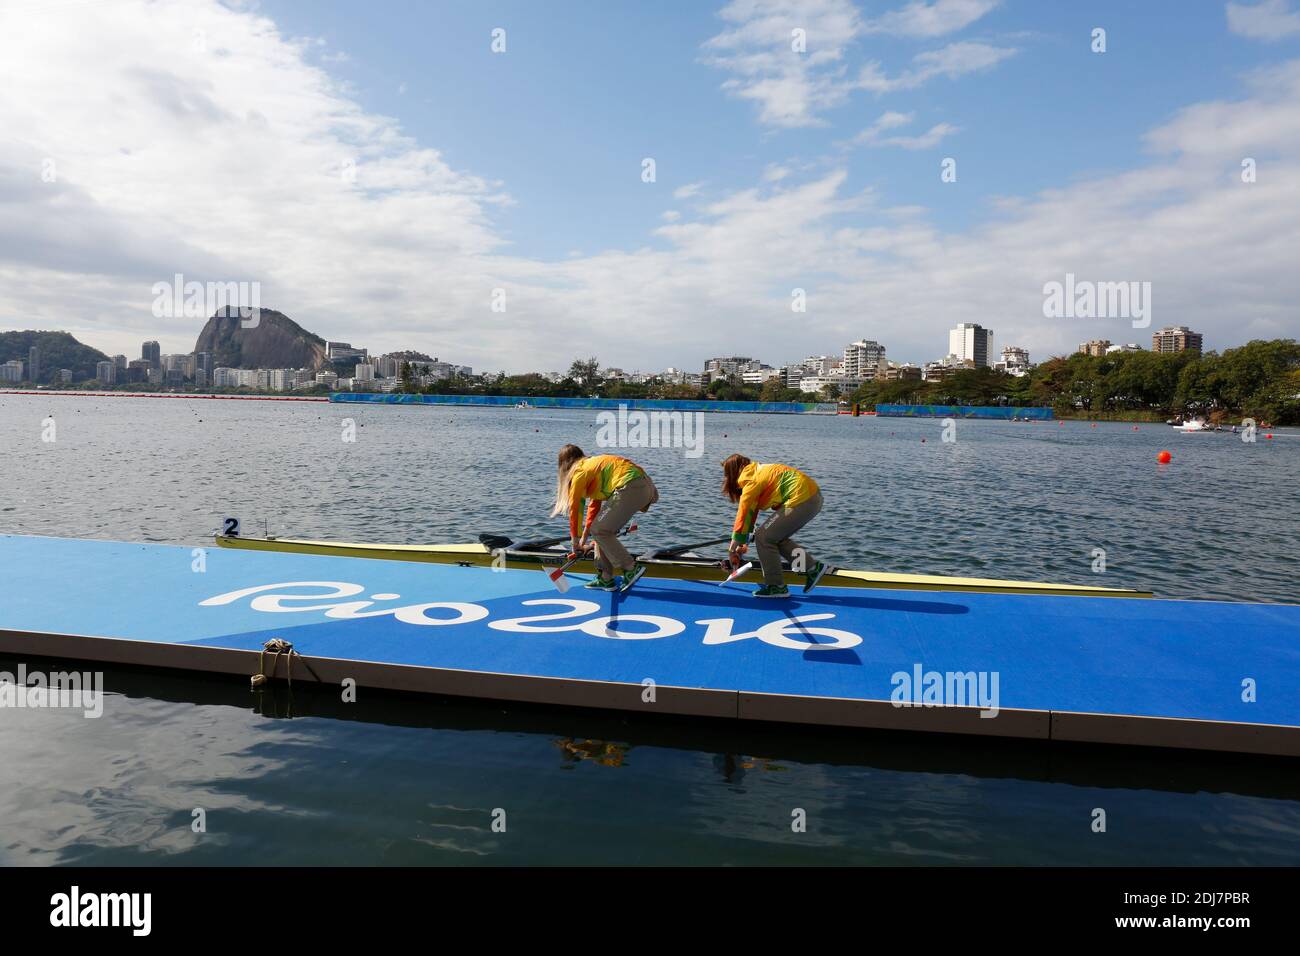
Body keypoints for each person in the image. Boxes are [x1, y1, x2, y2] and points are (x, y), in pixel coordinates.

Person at [550, 444, 657, 591]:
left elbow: (576, 510)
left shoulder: (579, 472)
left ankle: (631, 568)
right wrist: (583, 539)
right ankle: (606, 578)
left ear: (564, 465)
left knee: (600, 530)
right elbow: (594, 508)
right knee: (600, 529)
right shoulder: (592, 466)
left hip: (631, 486)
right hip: (645, 486)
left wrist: (575, 543)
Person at [721, 454, 828, 597]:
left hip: (801, 499)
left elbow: (743, 514)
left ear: (732, 473)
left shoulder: (749, 480)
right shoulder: (757, 471)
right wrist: (742, 544)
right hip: (813, 498)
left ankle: (776, 586)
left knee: (763, 537)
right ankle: (812, 568)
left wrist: (732, 548)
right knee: (774, 538)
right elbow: (750, 515)